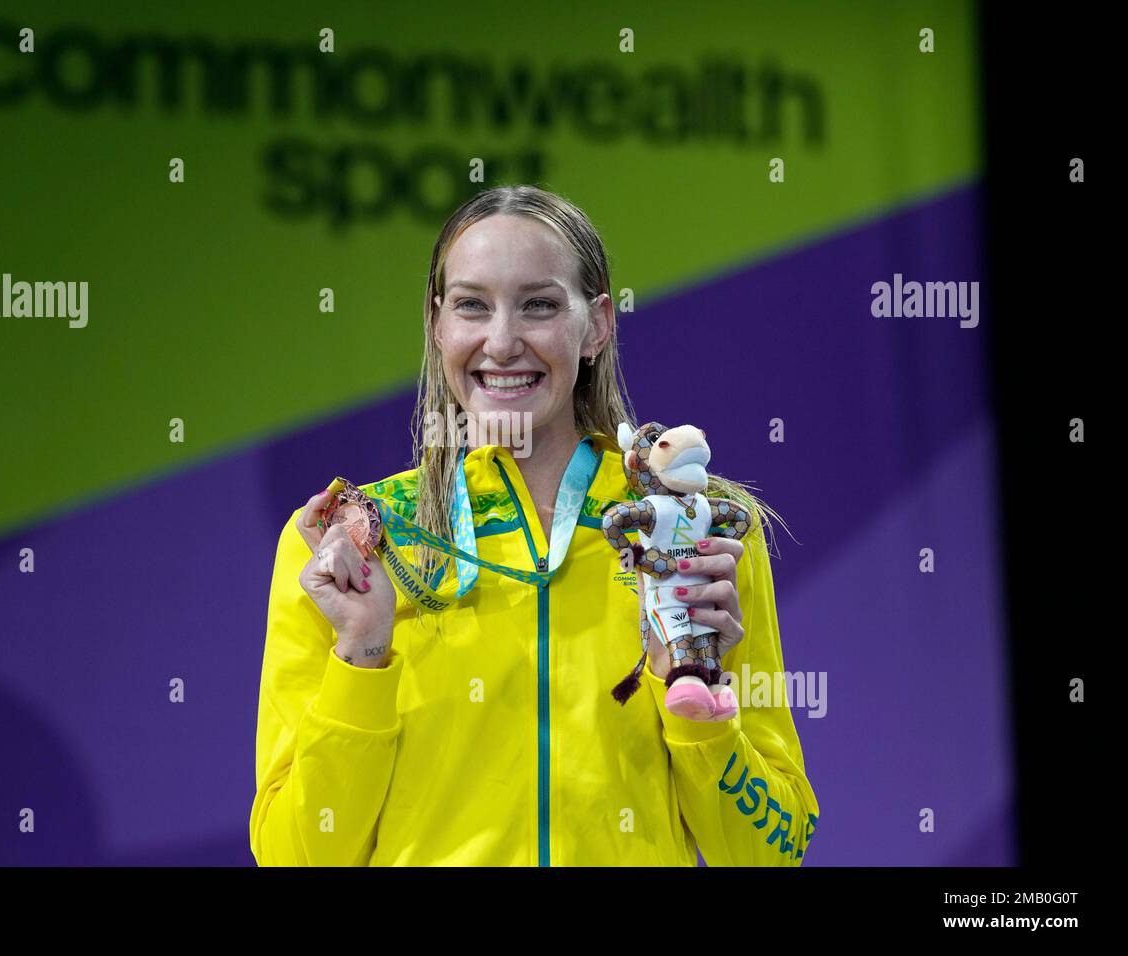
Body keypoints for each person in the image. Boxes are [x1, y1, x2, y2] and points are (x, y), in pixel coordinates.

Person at [248, 184, 819, 866]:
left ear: (598, 323)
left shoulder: (689, 532)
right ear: (437, 323)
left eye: (540, 305)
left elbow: (775, 849)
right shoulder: (353, 545)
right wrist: (362, 657)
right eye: (471, 305)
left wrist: (694, 703)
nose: (502, 341)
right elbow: (294, 856)